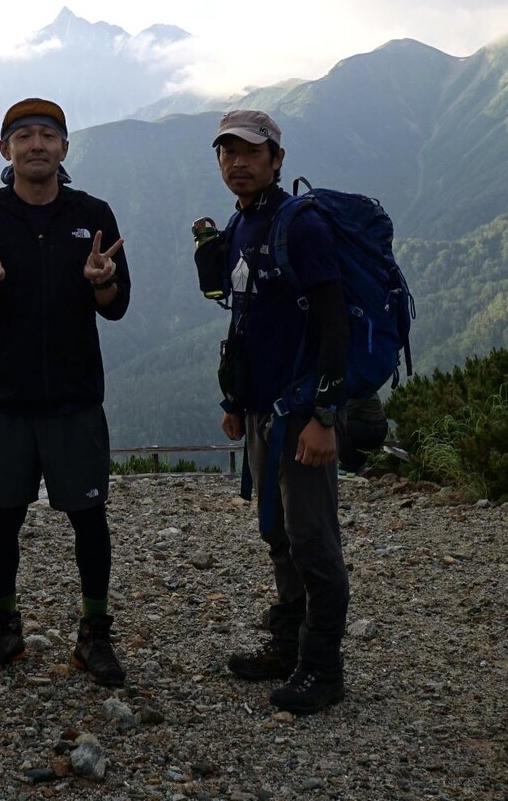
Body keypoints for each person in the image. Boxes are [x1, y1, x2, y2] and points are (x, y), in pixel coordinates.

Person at [0, 97, 131, 687]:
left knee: (89, 519)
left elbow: (117, 306)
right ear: (5, 149)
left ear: (65, 148)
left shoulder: (92, 214)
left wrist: (102, 283)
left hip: (75, 396)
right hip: (7, 395)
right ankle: (3, 627)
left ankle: (94, 633)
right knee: (2, 520)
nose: (36, 145)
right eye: (23, 136)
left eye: (47, 136)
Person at [210, 108, 350, 715]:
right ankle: (289, 645)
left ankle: (322, 668)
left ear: (276, 159)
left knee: (312, 539)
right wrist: (236, 402)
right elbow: (246, 322)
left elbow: (335, 325)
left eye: (250, 152)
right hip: (262, 410)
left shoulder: (302, 226)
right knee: (277, 531)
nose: (238, 163)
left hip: (301, 412)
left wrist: (325, 415)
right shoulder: (242, 223)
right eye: (227, 152)